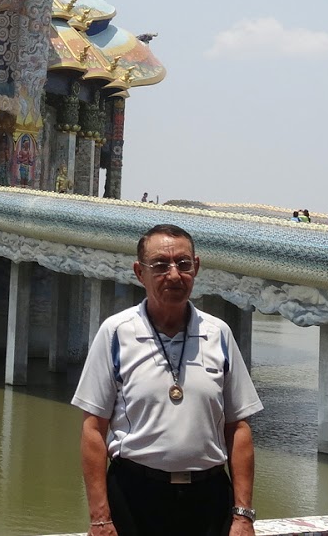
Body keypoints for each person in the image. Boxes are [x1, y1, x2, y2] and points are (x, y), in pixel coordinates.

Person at [73, 224, 261, 535]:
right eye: (160, 265)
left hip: (208, 497)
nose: (174, 275)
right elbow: (93, 429)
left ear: (196, 267)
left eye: (183, 264)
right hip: (135, 496)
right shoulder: (116, 332)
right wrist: (100, 517)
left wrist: (243, 515)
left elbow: (238, 428)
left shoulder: (219, 334)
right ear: (139, 272)